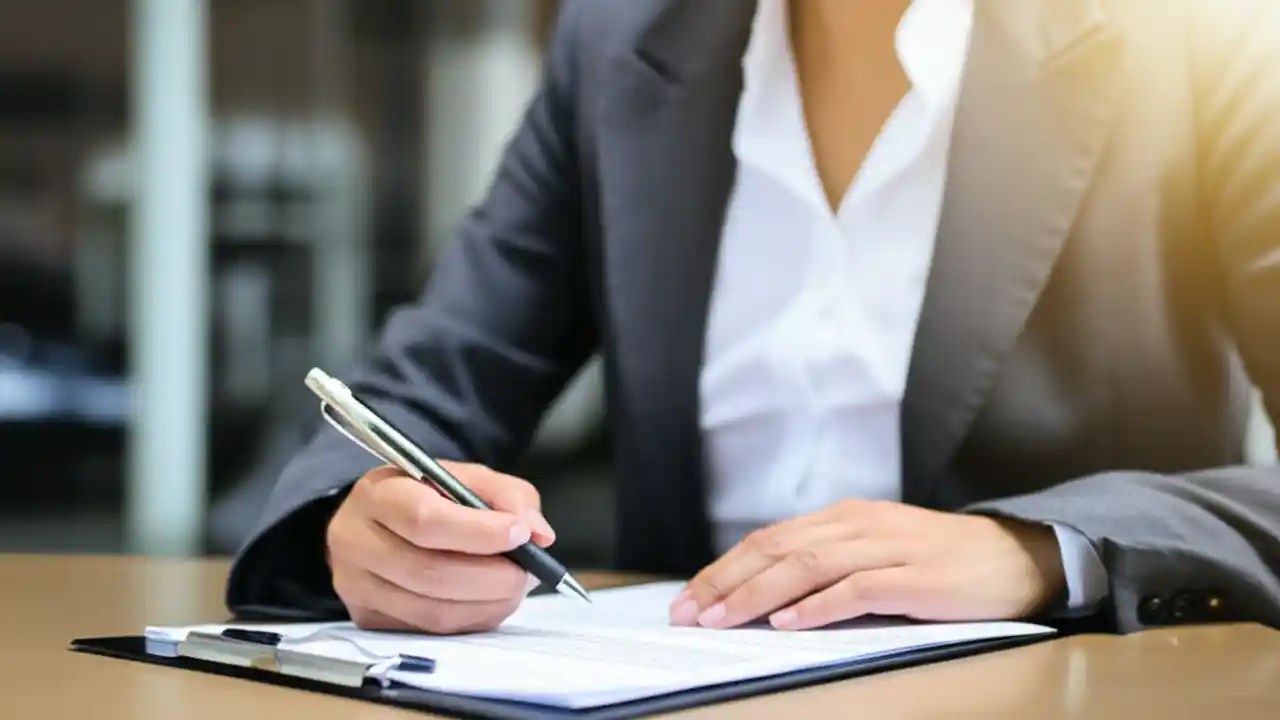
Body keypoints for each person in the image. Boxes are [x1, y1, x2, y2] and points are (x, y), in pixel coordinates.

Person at [226, 0, 1280, 635]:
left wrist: (1038, 553)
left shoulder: (1203, 37)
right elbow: (427, 384)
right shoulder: (622, 39)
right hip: (668, 681)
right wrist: (363, 523)